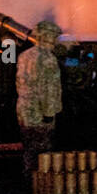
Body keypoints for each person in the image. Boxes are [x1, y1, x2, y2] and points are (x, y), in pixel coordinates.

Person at [16, 20, 63, 174]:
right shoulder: (48, 58)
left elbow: (19, 83)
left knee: (29, 151)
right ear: (48, 37)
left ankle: (29, 184)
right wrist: (49, 114)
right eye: (54, 36)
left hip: (24, 110)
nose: (56, 40)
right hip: (40, 113)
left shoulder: (25, 55)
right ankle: (40, 190)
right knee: (43, 154)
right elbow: (49, 89)